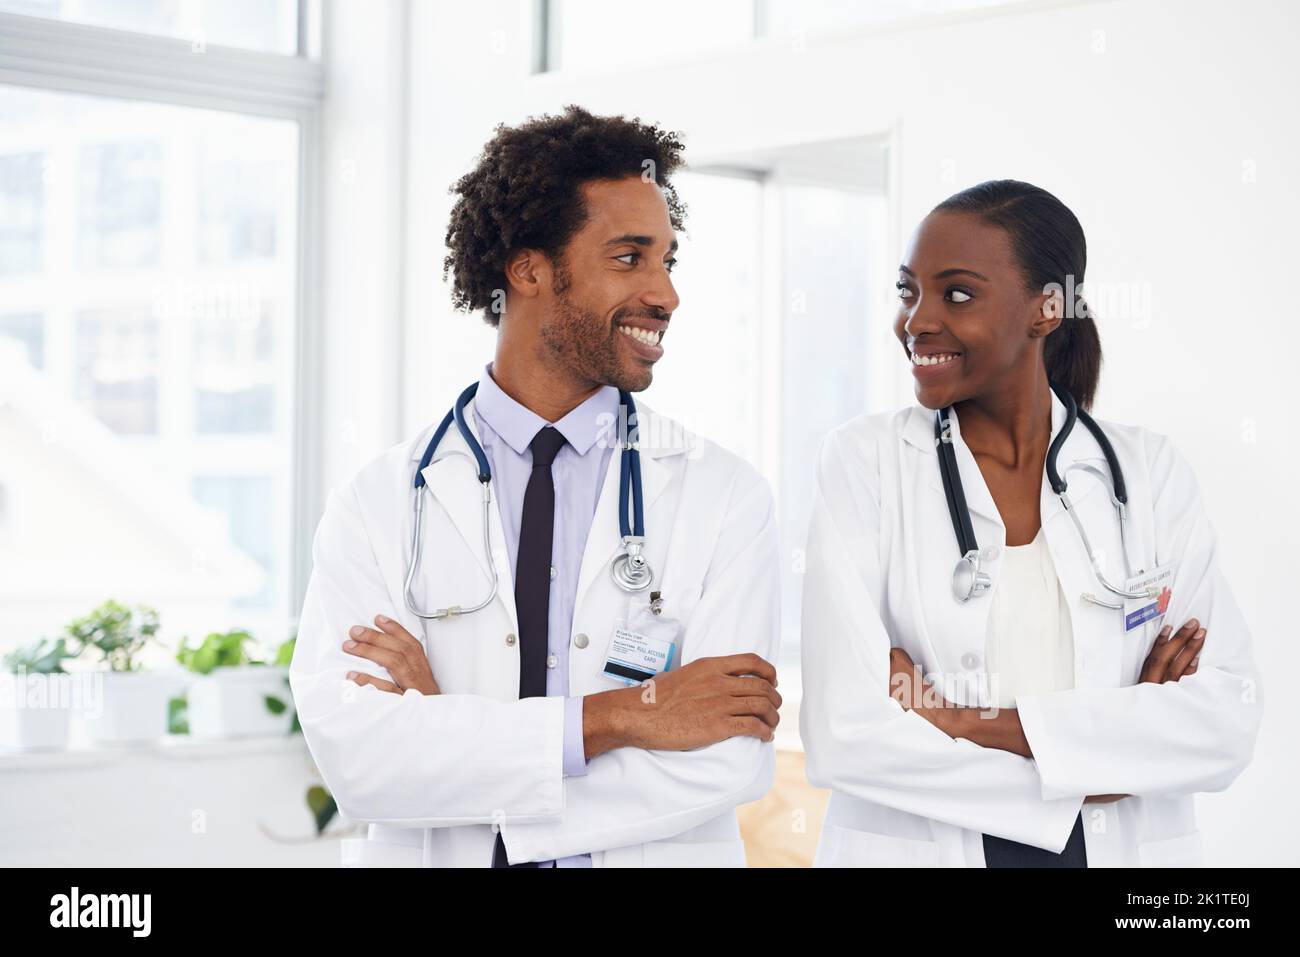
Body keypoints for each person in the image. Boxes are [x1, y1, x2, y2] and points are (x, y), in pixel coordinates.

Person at [289, 106, 781, 868]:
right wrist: (629, 715)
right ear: (529, 270)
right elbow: (361, 758)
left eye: (667, 261)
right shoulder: (378, 503)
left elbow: (726, 757)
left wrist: (454, 733)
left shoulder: (724, 497)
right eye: (629, 258)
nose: (665, 294)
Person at [799, 179, 1262, 867]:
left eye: (956, 293)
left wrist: (955, 721)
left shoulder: (1147, 472)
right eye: (908, 291)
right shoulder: (864, 462)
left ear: (1047, 308)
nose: (916, 320)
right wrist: (1100, 765)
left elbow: (1225, 718)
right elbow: (845, 730)